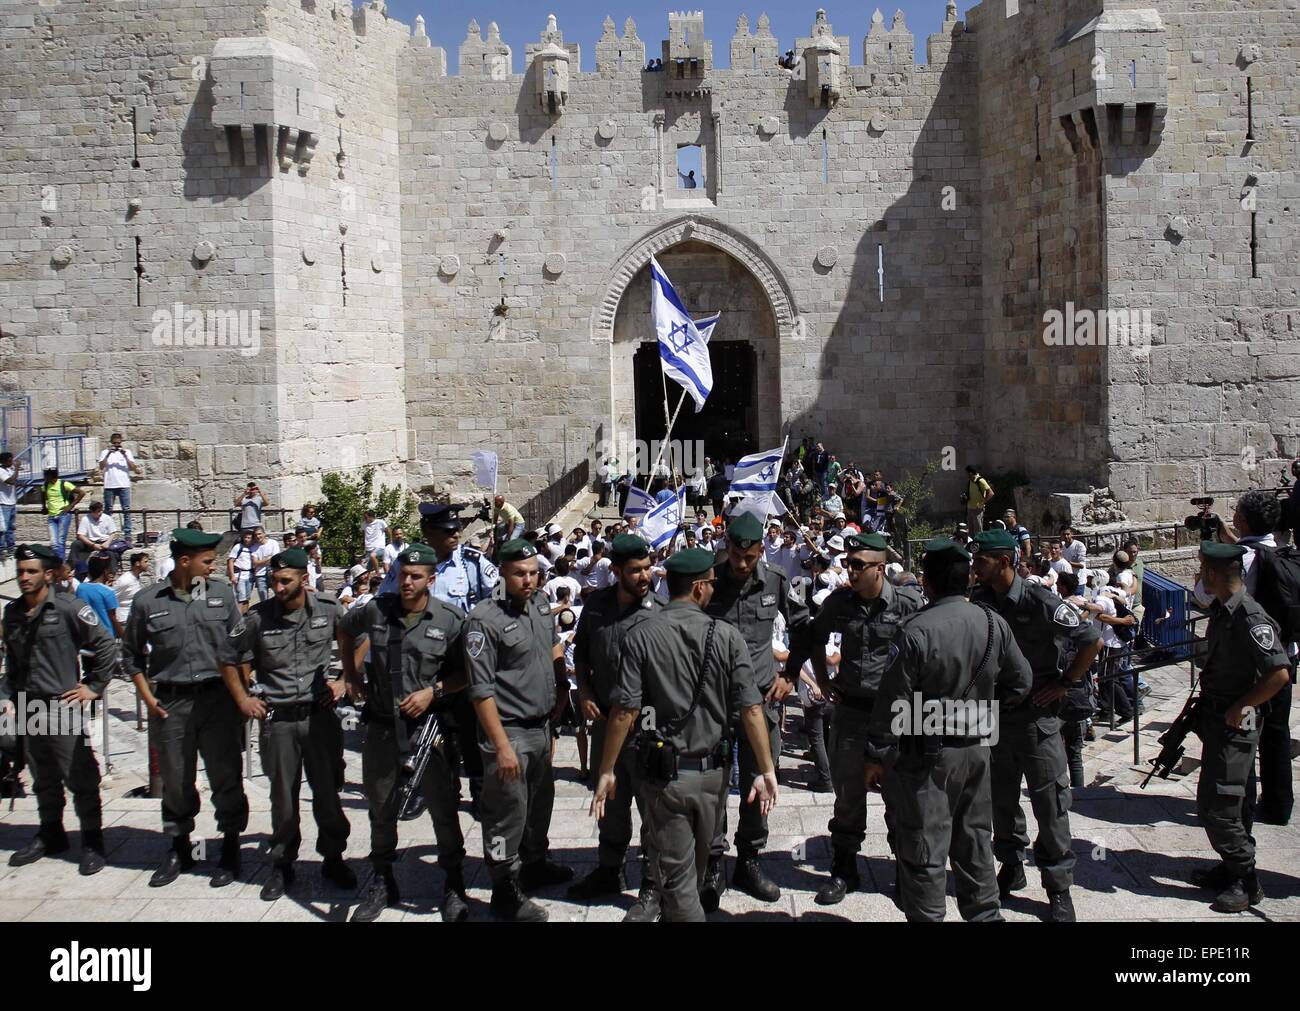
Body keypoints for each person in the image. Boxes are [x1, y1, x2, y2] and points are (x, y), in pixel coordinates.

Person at [592, 546, 778, 922]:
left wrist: (607, 769)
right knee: (689, 874)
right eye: (710, 583)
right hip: (714, 776)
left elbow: (625, 711)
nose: (713, 589)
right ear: (698, 588)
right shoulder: (726, 636)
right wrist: (767, 769)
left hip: (666, 777)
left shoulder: (642, 635)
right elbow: (752, 708)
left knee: (677, 879)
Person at [864, 538, 1033, 922]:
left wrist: (875, 756)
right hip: (977, 748)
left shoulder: (916, 631)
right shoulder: (993, 622)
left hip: (928, 757)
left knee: (924, 848)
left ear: (928, 582)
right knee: (975, 842)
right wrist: (981, 712)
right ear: (967, 578)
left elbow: (892, 704)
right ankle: (986, 915)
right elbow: (1021, 683)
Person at [785, 531, 924, 904]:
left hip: (895, 715)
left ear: (880, 568)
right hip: (850, 713)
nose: (851, 571)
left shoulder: (908, 602)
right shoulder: (840, 602)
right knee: (847, 796)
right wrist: (824, 678)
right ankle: (845, 870)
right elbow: (815, 636)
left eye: (859, 565)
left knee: (900, 796)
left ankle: (906, 873)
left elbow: (928, 648)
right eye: (848, 564)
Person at [969, 529, 1102, 922]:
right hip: (996, 717)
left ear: (1005, 562)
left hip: (1037, 719)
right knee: (1002, 798)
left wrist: (1066, 682)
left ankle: (1058, 887)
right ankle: (1010, 865)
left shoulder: (1040, 600)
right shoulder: (980, 600)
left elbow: (1090, 639)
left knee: (1050, 802)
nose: (976, 566)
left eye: (983, 560)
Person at [340, 543, 471, 923]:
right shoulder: (377, 611)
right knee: (380, 809)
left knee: (443, 811)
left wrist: (435, 692)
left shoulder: (449, 619)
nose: (407, 582)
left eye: (416, 576)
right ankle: (382, 880)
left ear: (431, 579)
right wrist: (349, 674)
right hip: (381, 726)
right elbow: (345, 629)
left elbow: (468, 673)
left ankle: (453, 883)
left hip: (428, 732)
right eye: (402, 575)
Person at [219, 548, 355, 901]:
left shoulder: (328, 608)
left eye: (285, 581)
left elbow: (356, 636)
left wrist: (344, 680)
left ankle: (333, 857)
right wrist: (242, 698)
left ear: (303, 579)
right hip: (277, 721)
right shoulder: (257, 617)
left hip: (319, 718)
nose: (277, 587)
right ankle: (282, 864)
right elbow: (228, 656)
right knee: (283, 799)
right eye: (273, 581)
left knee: (327, 793)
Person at [123, 528, 249, 887]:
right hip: (171, 703)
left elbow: (241, 650)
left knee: (226, 775)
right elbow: (130, 654)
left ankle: (229, 847)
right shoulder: (149, 601)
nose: (213, 567)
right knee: (176, 781)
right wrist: (148, 698)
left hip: (217, 701)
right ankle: (181, 847)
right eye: (207, 561)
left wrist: (242, 696)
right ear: (184, 561)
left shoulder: (221, 596)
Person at [701, 511, 809, 907]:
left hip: (762, 699)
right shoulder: (709, 578)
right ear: (726, 547)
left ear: (761, 551)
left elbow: (802, 625)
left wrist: (791, 674)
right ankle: (713, 863)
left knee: (758, 781)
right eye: (735, 556)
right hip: (714, 701)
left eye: (749, 558)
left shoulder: (776, 580)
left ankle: (748, 859)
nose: (741, 565)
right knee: (712, 782)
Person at [464, 538, 573, 920]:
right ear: (503, 574)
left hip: (541, 726)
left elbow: (552, 646)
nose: (528, 580)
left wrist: (561, 686)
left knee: (540, 803)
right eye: (519, 574)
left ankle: (535, 863)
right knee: (505, 813)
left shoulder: (541, 604)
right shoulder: (484, 620)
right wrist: (500, 745)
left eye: (533, 573)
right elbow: (480, 690)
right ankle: (504, 887)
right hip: (508, 731)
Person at [1, 543, 117, 875]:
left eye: (31, 571)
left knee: (80, 776)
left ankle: (93, 840)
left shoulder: (69, 608)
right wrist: (8, 695)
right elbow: (13, 661)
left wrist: (93, 687)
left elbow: (105, 646)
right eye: (21, 571)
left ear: (49, 575)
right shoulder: (12, 613)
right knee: (42, 776)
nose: (23, 577)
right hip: (29, 706)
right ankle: (51, 832)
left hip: (62, 707)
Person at [566, 534, 664, 917]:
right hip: (606, 721)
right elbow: (583, 655)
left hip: (647, 727)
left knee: (652, 808)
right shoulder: (596, 606)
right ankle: (610, 869)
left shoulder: (659, 613)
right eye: (636, 570)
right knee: (610, 803)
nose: (644, 577)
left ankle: (653, 887)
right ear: (616, 571)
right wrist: (586, 691)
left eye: (647, 569)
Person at [1190, 541, 1291, 912]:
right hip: (1220, 717)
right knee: (1238, 799)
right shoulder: (1224, 611)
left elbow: (1279, 674)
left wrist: (1240, 706)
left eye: (1202, 569)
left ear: (1215, 573)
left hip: (1238, 719)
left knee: (1216, 804)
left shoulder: (1250, 617)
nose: (1200, 575)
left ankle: (1248, 881)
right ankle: (1231, 868)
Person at [97, 433, 141, 545]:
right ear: (111, 443)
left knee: (126, 510)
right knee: (108, 510)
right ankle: (106, 534)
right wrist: (108, 454)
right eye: (115, 443)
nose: (117, 445)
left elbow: (133, 468)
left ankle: (128, 535)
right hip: (109, 485)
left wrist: (125, 456)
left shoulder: (127, 453)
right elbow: (101, 466)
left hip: (124, 484)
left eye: (119, 443)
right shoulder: (105, 453)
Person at [41, 468, 83, 561]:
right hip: (52, 516)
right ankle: (60, 563)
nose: (44, 478)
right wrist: (44, 507)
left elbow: (81, 492)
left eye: (46, 476)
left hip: (63, 515)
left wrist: (70, 506)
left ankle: (61, 564)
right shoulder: (45, 485)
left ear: (51, 476)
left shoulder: (64, 484)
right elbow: (43, 494)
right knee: (54, 543)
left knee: (60, 541)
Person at [76, 555, 123, 639]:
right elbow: (113, 618)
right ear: (105, 572)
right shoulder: (108, 592)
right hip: (105, 637)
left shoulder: (81, 588)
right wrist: (125, 638)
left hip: (85, 636)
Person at [72, 501, 118, 568]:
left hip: (104, 542)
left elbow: (113, 533)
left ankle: (112, 572)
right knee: (76, 544)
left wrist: (107, 542)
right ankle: (73, 566)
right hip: (91, 542)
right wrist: (93, 545)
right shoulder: (86, 519)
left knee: (112, 553)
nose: (100, 513)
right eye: (98, 511)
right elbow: (80, 535)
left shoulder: (107, 518)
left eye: (101, 510)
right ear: (92, 512)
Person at [112, 551, 150, 627]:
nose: (148, 564)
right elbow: (111, 595)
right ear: (137, 563)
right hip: (124, 620)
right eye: (145, 561)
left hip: (134, 619)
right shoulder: (125, 580)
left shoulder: (137, 578)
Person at [227, 528, 257, 610]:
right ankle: (239, 619)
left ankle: (245, 616)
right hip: (239, 576)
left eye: (249, 538)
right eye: (245, 537)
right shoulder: (238, 547)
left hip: (249, 576)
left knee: (247, 598)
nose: (246, 539)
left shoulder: (253, 548)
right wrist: (232, 575)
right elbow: (230, 561)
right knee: (240, 599)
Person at [963, 465, 993, 533]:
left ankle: (979, 543)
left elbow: (991, 493)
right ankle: (971, 543)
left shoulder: (980, 480)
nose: (966, 475)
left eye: (966, 473)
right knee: (970, 530)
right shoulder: (970, 481)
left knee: (978, 530)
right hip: (970, 508)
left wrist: (982, 503)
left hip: (977, 509)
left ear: (970, 473)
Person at [0, 451, 18, 559]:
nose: (12, 462)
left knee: (11, 528)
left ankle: (11, 549)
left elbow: (14, 481)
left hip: (12, 502)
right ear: (4, 461)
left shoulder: (9, 470)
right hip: (3, 503)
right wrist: (16, 469)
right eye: (10, 460)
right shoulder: (0, 471)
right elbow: (10, 481)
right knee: (3, 529)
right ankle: (1, 550)